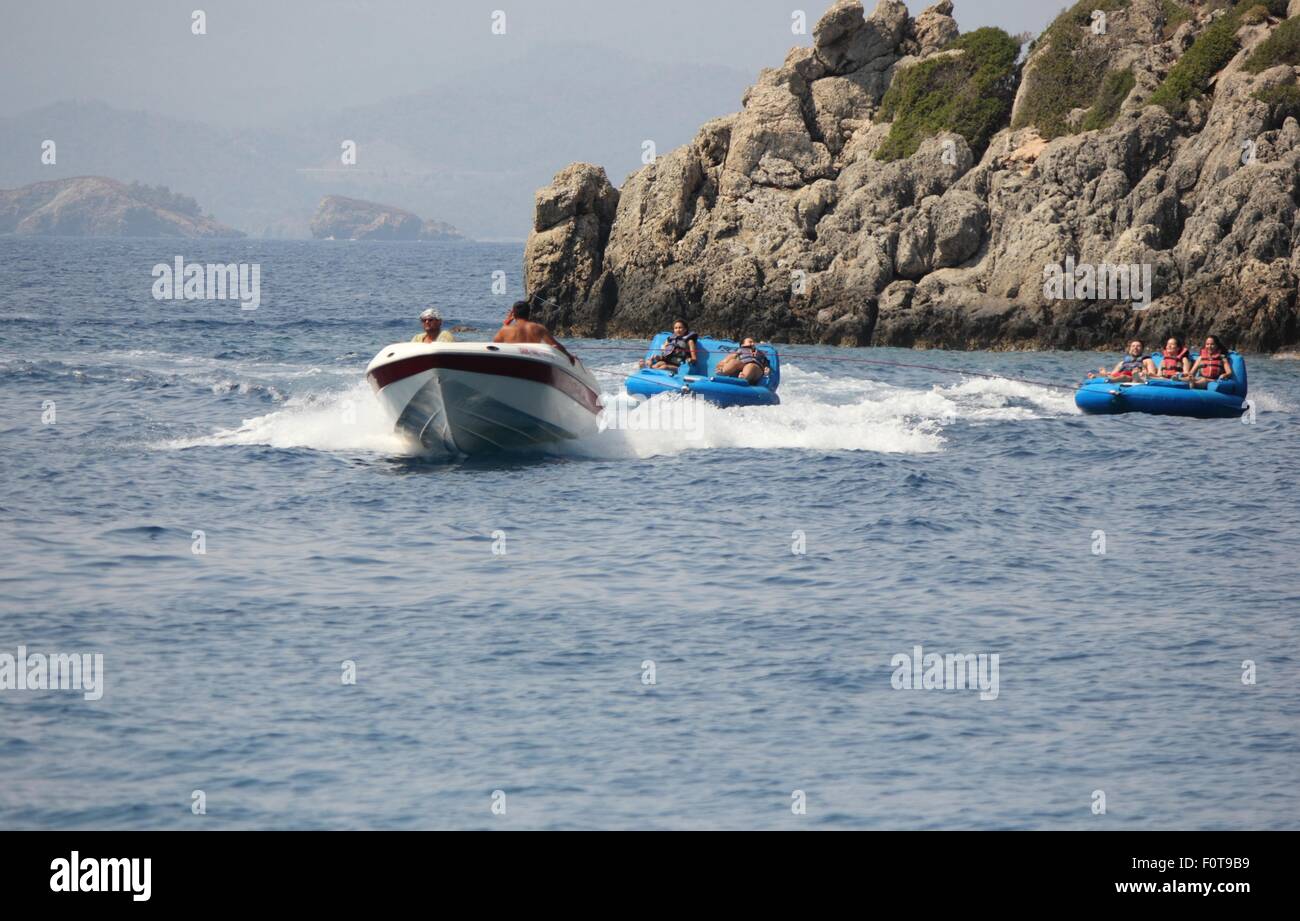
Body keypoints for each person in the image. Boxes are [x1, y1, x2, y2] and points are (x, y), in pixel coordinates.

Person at [493, 300, 577, 365]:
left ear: (513, 314)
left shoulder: (505, 330)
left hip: (513, 362)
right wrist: (569, 356)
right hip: (533, 360)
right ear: (529, 313)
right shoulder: (538, 328)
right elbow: (556, 344)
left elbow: (495, 346)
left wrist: (506, 323)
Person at [1087, 340, 1151, 382]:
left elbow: (1152, 374)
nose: (1135, 348)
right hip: (1120, 377)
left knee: (1123, 377)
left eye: (1138, 346)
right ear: (1130, 349)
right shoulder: (1122, 363)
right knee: (1114, 375)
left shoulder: (1147, 361)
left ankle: (1108, 380)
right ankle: (1099, 378)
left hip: (1134, 378)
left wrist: (1144, 372)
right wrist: (1106, 373)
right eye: (1133, 346)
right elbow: (1113, 373)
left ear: (1142, 349)